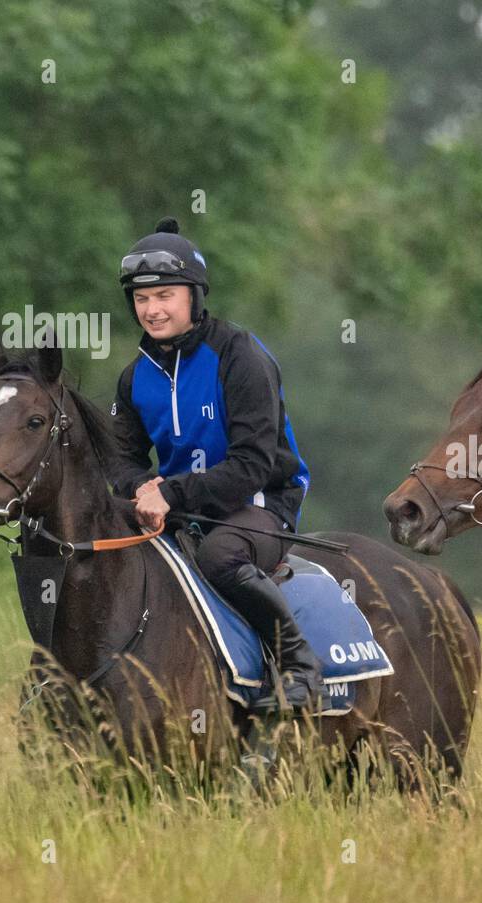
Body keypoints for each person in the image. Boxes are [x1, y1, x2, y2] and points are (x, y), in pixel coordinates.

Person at [110, 217, 324, 711]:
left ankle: (299, 666)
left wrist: (172, 493)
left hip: (262, 503)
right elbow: (120, 457)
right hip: (184, 508)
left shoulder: (240, 356)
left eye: (165, 295)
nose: (152, 310)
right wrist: (144, 488)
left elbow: (252, 465)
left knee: (219, 558)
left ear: (194, 296)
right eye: (142, 299)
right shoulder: (134, 378)